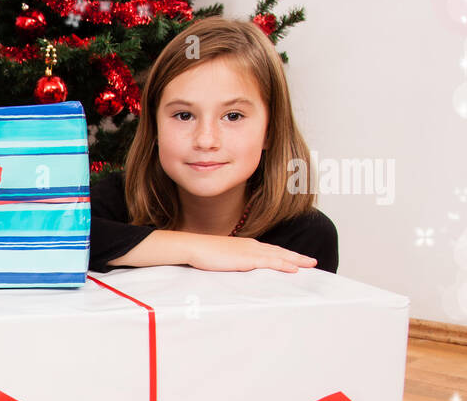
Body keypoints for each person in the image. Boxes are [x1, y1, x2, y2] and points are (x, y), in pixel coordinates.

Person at [89, 16, 339, 274]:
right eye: (184, 116)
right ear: (155, 127)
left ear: (270, 130)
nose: (206, 140)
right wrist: (197, 248)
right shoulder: (119, 199)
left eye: (233, 116)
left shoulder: (305, 236)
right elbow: (53, 236)